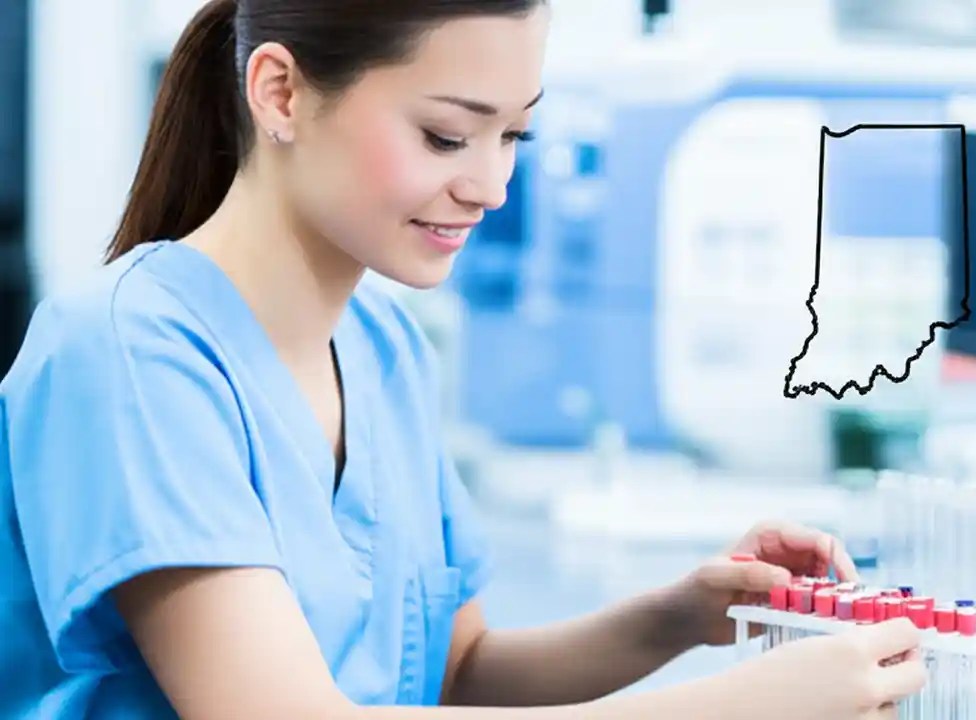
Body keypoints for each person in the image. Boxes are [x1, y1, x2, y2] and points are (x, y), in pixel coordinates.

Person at [0, 1, 927, 718]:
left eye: (513, 134)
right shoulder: (128, 354)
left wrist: (678, 619)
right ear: (279, 93)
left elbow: (453, 669)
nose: (490, 185)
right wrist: (731, 707)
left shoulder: (384, 350)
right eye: (446, 135)